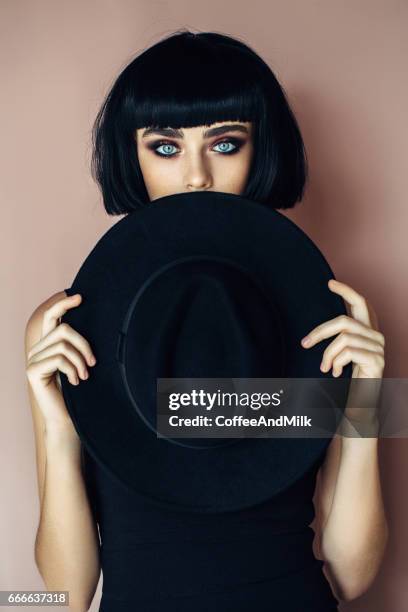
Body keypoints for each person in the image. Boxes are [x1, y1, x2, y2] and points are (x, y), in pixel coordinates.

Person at [25, 30, 388, 611]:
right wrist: (58, 425)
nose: (196, 175)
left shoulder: (325, 320)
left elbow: (350, 577)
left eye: (225, 144)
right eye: (165, 147)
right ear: (132, 155)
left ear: (260, 149)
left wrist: (368, 399)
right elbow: (65, 595)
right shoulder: (67, 326)